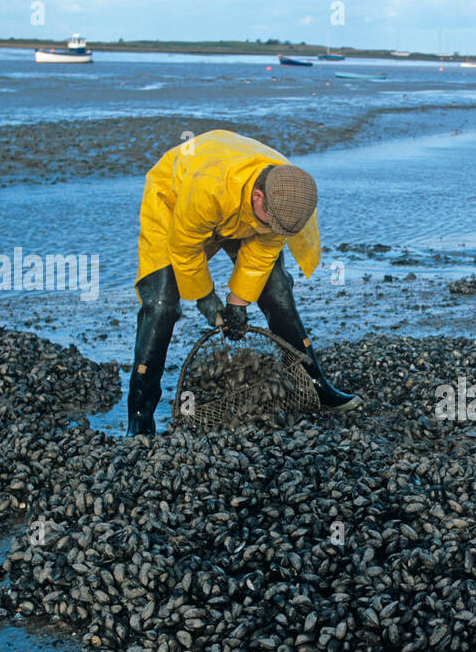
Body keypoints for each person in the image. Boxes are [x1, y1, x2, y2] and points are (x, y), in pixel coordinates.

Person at [127, 128, 361, 434]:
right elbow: (185, 249)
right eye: (271, 221)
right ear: (258, 196)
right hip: (175, 203)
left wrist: (237, 303)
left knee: (277, 293)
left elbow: (263, 252)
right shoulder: (208, 188)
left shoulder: (287, 197)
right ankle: (140, 414)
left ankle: (314, 385)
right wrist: (206, 300)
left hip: (240, 207)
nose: (275, 229)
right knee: (160, 306)